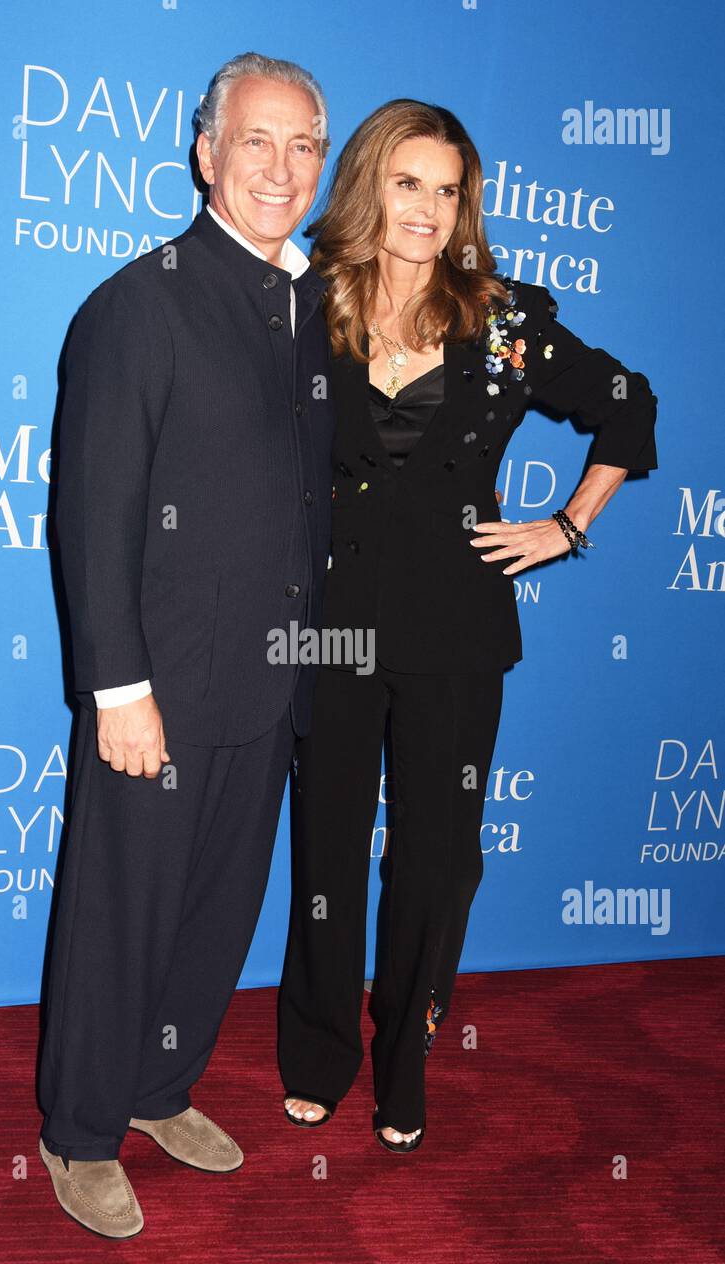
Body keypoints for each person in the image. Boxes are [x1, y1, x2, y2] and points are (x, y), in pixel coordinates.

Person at [277, 99, 658, 1152]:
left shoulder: (500, 315)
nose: (429, 209)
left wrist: (565, 527)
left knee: (437, 858)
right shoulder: (306, 304)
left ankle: (406, 1053)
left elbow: (627, 400)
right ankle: (317, 1051)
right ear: (368, 185)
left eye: (448, 191)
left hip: (457, 622)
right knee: (326, 852)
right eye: (408, 183)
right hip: (331, 623)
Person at [37, 52, 335, 1236]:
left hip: (268, 681)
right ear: (205, 154)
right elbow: (93, 510)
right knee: (124, 910)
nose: (280, 167)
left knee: (219, 904)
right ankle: (78, 1131)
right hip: (154, 686)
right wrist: (117, 686)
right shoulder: (138, 303)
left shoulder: (312, 304)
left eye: (304, 143)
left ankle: (161, 1088)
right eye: (254, 141)